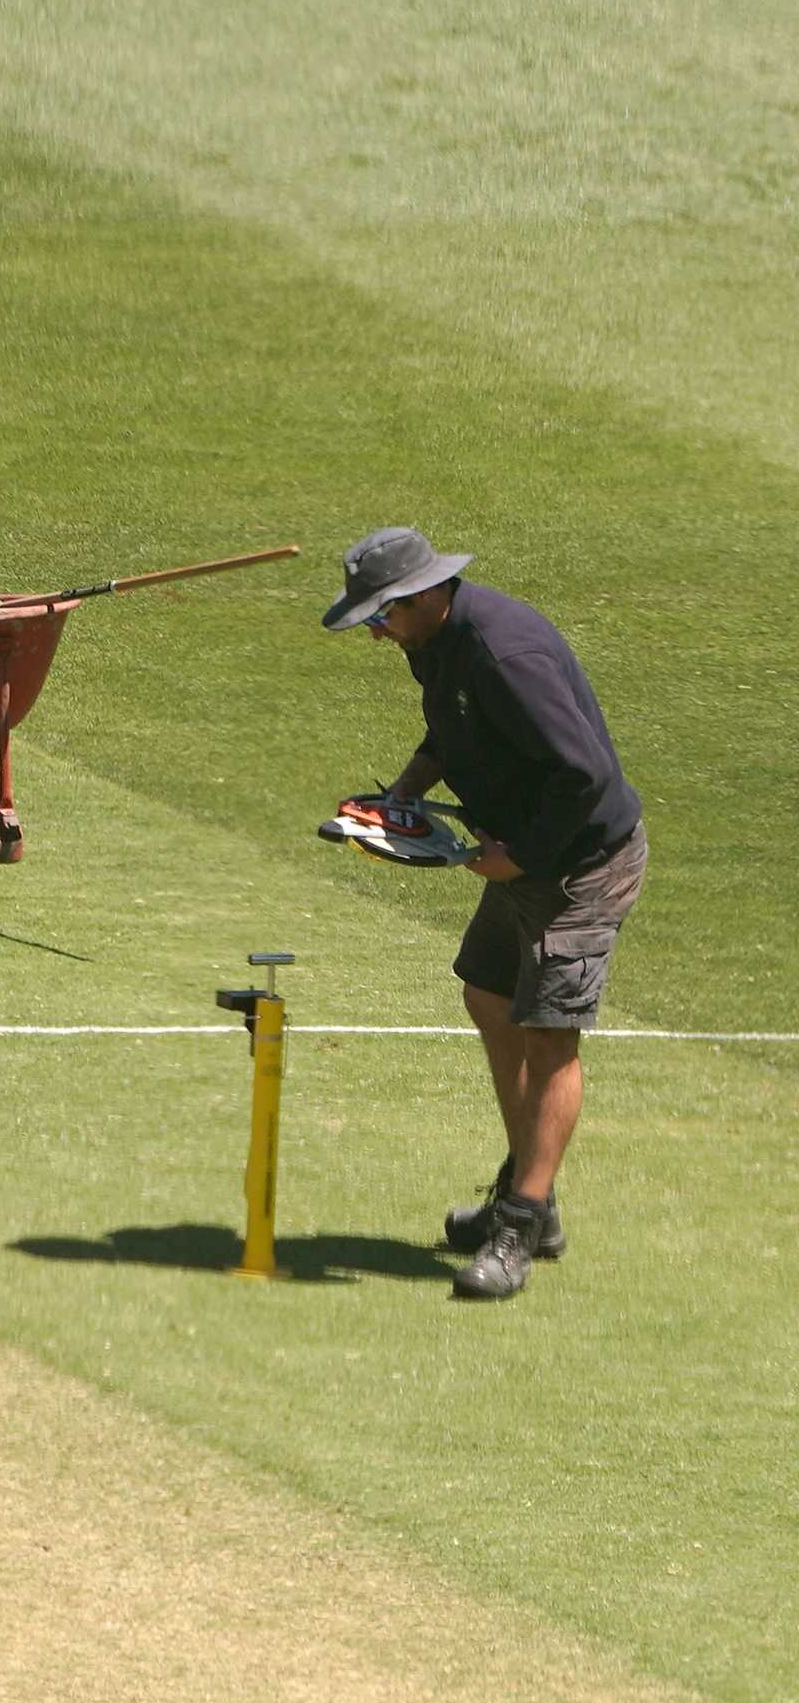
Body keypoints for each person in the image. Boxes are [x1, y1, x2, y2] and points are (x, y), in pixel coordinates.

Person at [325, 526, 645, 1301]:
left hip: (581, 865)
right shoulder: (432, 641)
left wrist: (521, 858)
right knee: (489, 997)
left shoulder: (509, 655)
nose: (374, 630)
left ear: (427, 594)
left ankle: (522, 1226)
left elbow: (583, 776)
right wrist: (402, 795)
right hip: (523, 854)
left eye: (382, 615)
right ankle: (532, 1190)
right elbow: (452, 726)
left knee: (549, 1033)